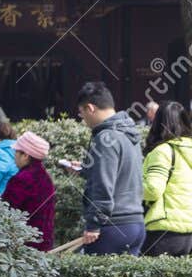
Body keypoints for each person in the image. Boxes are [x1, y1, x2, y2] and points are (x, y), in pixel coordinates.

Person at [75, 80, 146, 255]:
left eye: (81, 112)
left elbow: (103, 185)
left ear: (90, 108)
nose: (82, 118)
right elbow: (123, 174)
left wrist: (93, 224)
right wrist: (87, 170)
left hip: (113, 226)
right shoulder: (130, 134)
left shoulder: (105, 138)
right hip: (136, 224)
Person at [141, 100, 192, 256]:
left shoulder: (162, 151)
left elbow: (153, 190)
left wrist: (131, 187)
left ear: (158, 123)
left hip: (164, 228)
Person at [1, 131, 57, 251]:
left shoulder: (21, 179)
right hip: (43, 243)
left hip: (23, 245)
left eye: (16, 151)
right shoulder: (46, 178)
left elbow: (6, 210)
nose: (14, 155)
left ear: (25, 156)